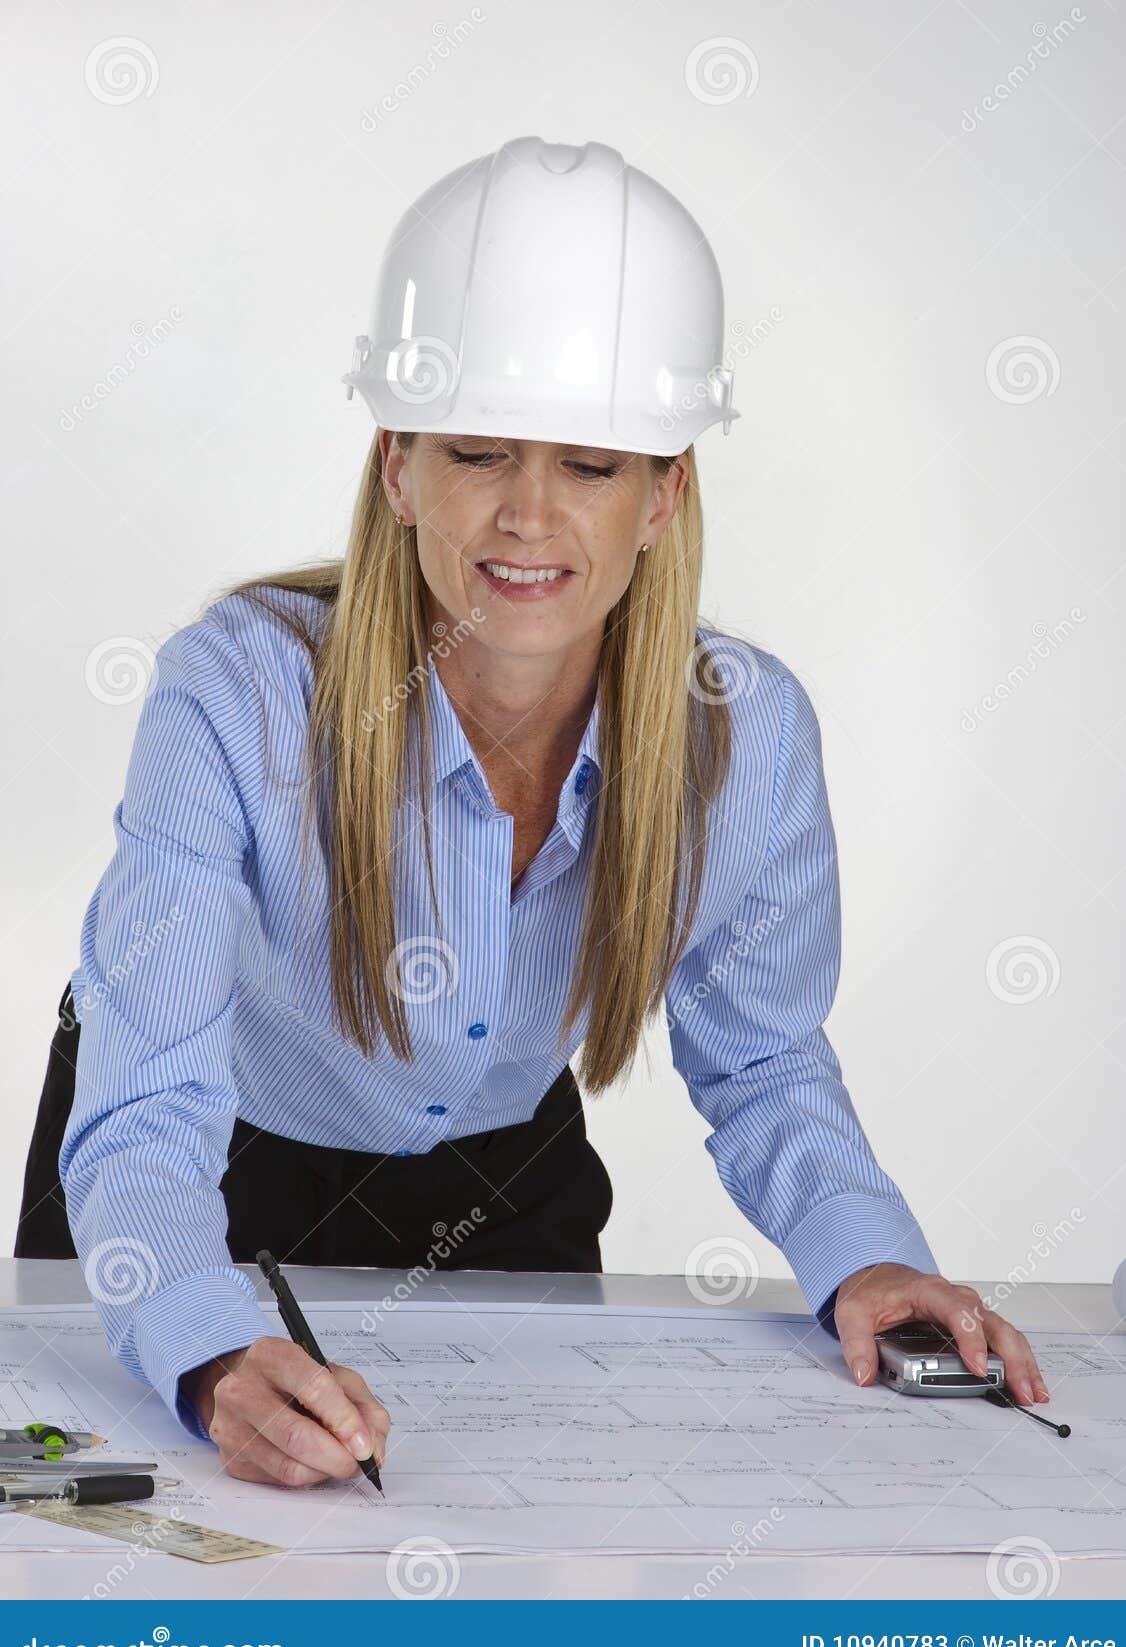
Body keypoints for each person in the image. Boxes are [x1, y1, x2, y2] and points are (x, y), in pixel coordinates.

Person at [33, 136, 1050, 1493]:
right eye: (475, 452)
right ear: (397, 468)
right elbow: (149, 1089)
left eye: (590, 463)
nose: (525, 515)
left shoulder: (741, 734)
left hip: (497, 1189)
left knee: (520, 1561)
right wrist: (206, 1347)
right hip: (196, 1170)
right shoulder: (238, 693)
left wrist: (865, 1257)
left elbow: (758, 1061)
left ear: (662, 494)